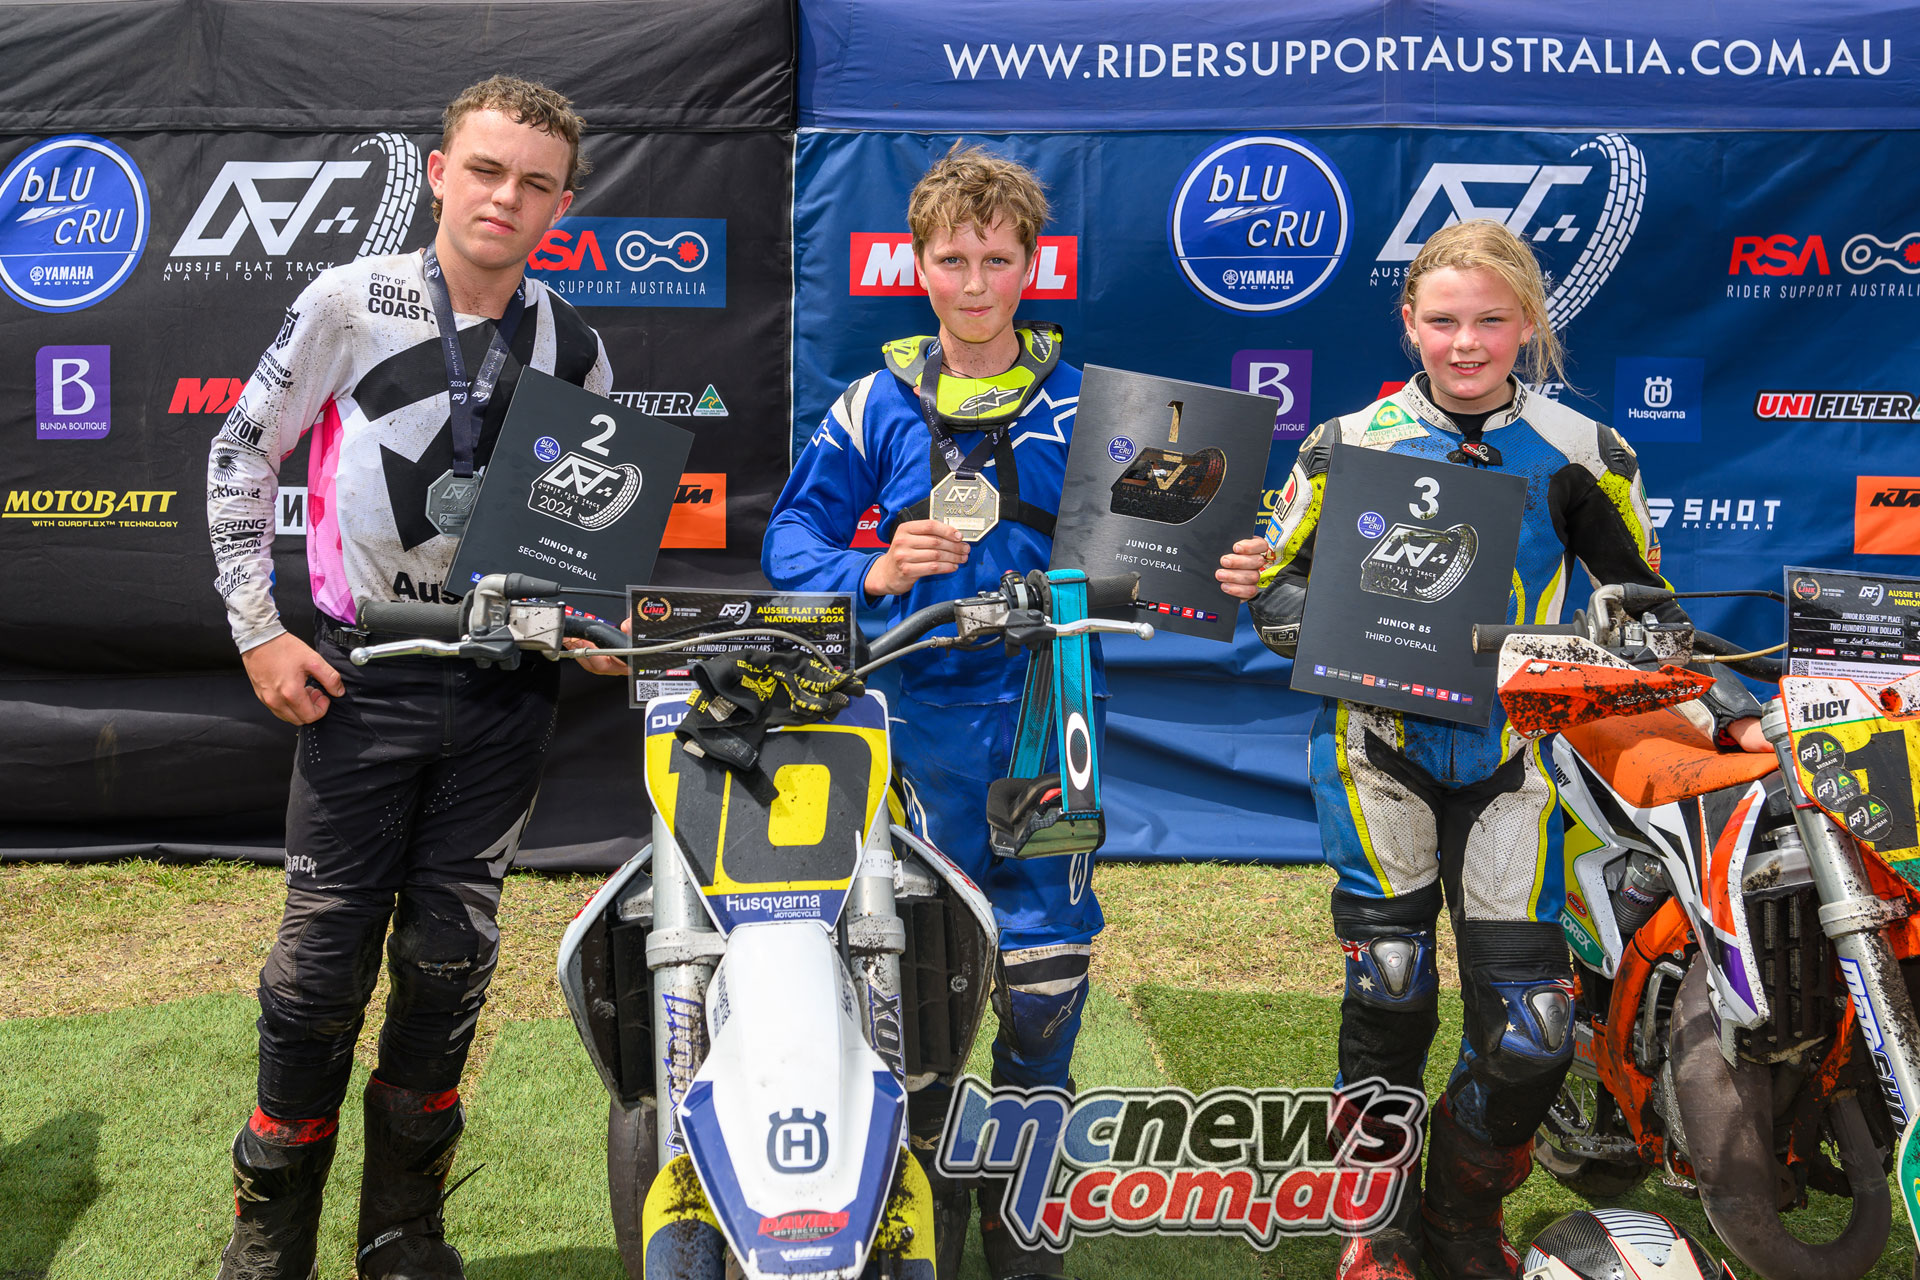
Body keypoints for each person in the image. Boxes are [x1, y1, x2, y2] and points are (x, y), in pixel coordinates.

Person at [1214, 220, 1753, 1280]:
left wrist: (1709, 691)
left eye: (1491, 321)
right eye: (1444, 320)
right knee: (1391, 985)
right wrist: (1311, 618)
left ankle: (1461, 1216)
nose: (1466, 343)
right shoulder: (1345, 442)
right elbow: (1275, 590)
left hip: (1517, 762)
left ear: (1529, 324)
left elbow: (1646, 608)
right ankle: (1376, 1225)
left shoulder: (1585, 450)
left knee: (1535, 1029)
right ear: (1409, 322)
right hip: (1377, 749)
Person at [206, 76, 619, 1280]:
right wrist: (258, 630)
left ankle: (401, 1231)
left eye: (535, 183)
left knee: (448, 963)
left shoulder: (576, 347)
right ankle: (270, 1236)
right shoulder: (352, 299)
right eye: (485, 170)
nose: (506, 198)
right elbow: (242, 449)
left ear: (562, 204)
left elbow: (568, 553)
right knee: (316, 972)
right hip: (361, 681)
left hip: (502, 695)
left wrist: (583, 621)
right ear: (439, 172)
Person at [763, 142, 1096, 1279]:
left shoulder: (1090, 403)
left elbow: (1165, 552)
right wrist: (875, 569)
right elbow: (789, 541)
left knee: (1044, 983)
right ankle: (916, 1197)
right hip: (912, 712)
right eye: (952, 260)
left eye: (997, 260)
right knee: (913, 973)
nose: (974, 282)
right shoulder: (876, 401)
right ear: (916, 265)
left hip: (1051, 709)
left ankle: (1021, 1222)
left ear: (1031, 266)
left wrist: (1208, 568)